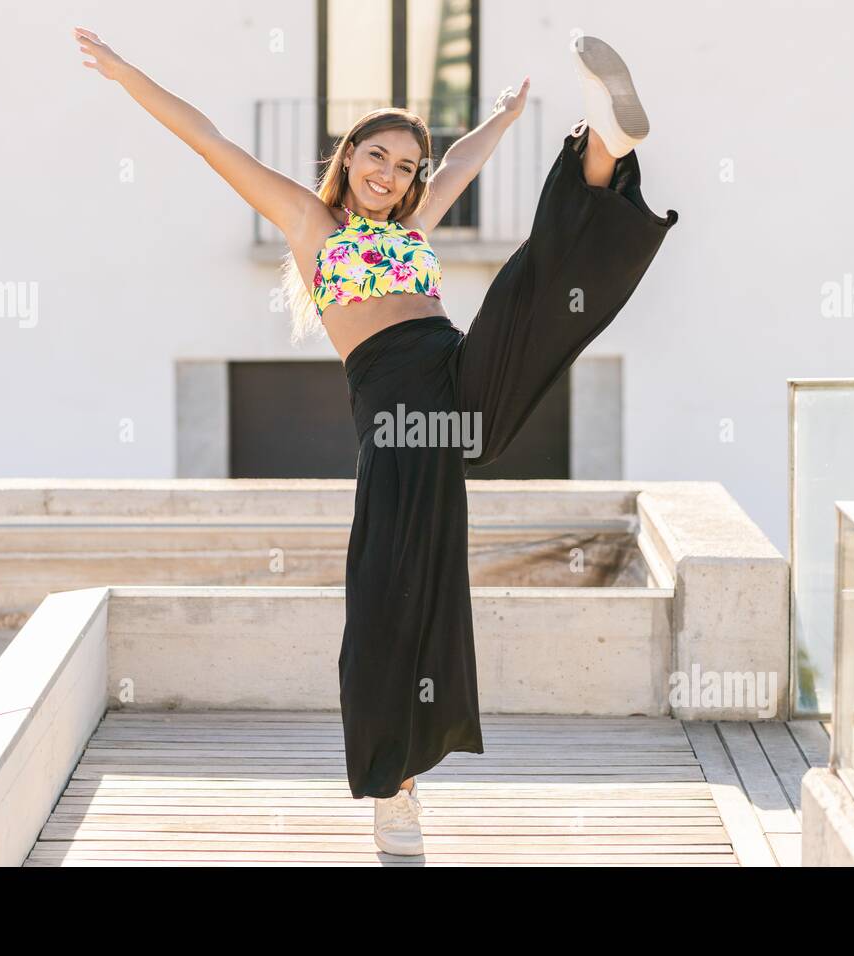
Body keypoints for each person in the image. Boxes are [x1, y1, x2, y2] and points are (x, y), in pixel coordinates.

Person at [74, 27, 677, 856]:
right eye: (378, 158)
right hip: (397, 426)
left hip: (457, 384)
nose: (392, 177)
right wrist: (123, 71)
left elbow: (459, 163)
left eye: (404, 167)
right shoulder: (308, 223)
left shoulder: (415, 224)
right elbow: (206, 136)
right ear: (349, 154)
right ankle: (396, 793)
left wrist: (502, 120)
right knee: (392, 602)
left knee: (531, 290)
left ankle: (605, 151)